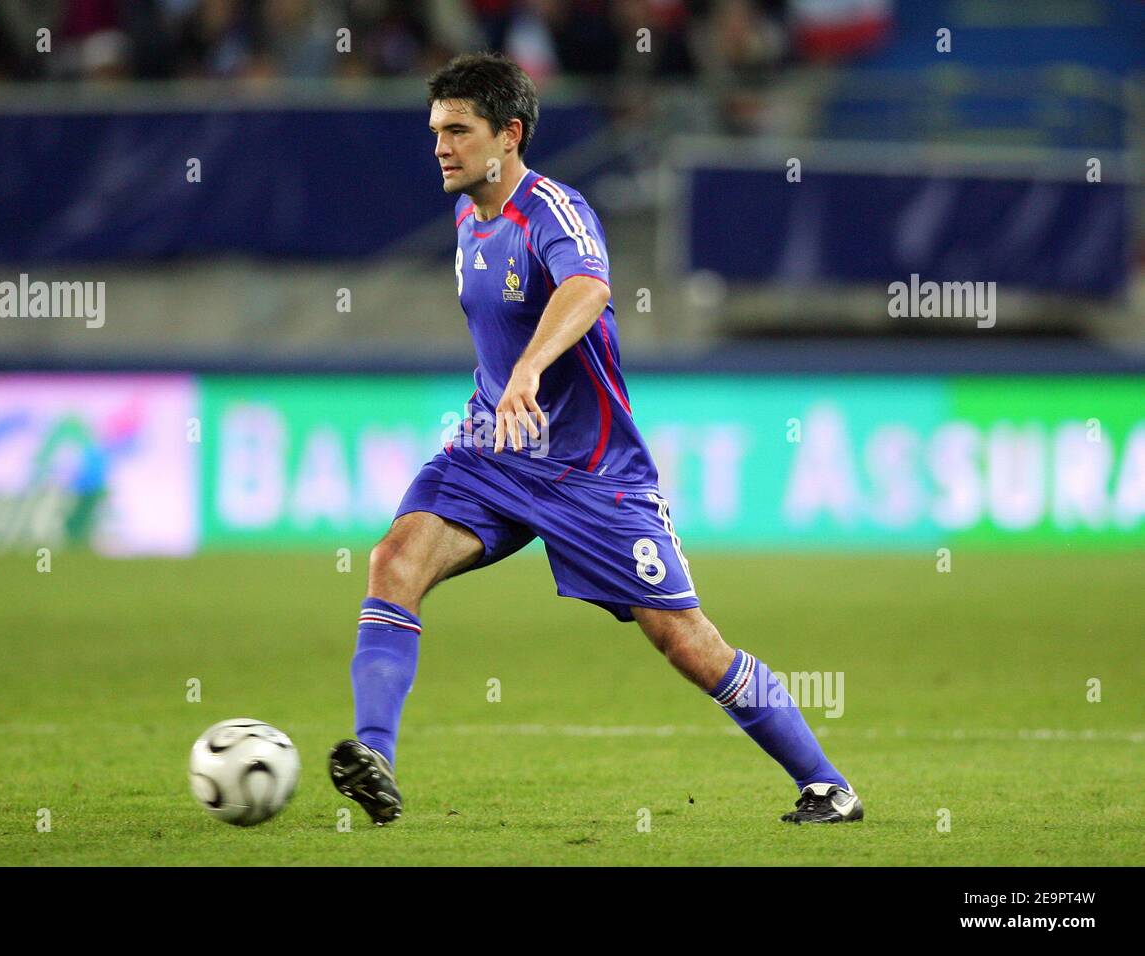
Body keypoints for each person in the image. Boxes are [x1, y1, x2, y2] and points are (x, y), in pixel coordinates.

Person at [329, 52, 862, 826]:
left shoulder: (555, 209)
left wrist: (530, 370)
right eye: (436, 131)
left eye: (458, 130)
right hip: (491, 449)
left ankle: (827, 785)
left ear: (508, 135)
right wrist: (504, 392)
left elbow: (588, 286)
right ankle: (374, 755)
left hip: (591, 472)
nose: (441, 146)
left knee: (686, 642)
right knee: (393, 561)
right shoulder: (464, 216)